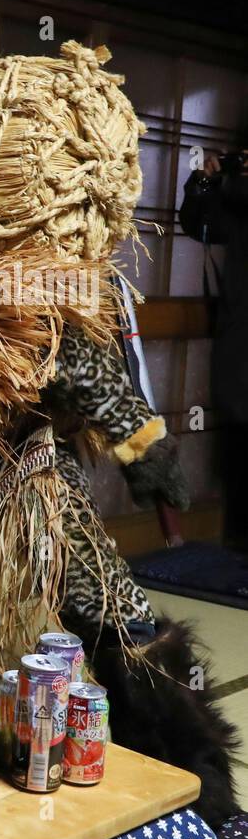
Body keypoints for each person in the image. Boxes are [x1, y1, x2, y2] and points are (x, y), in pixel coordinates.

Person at [178, 146, 248, 551]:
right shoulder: (238, 202)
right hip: (240, 337)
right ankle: (236, 549)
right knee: (238, 441)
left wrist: (234, 183)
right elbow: (200, 225)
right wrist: (203, 181)